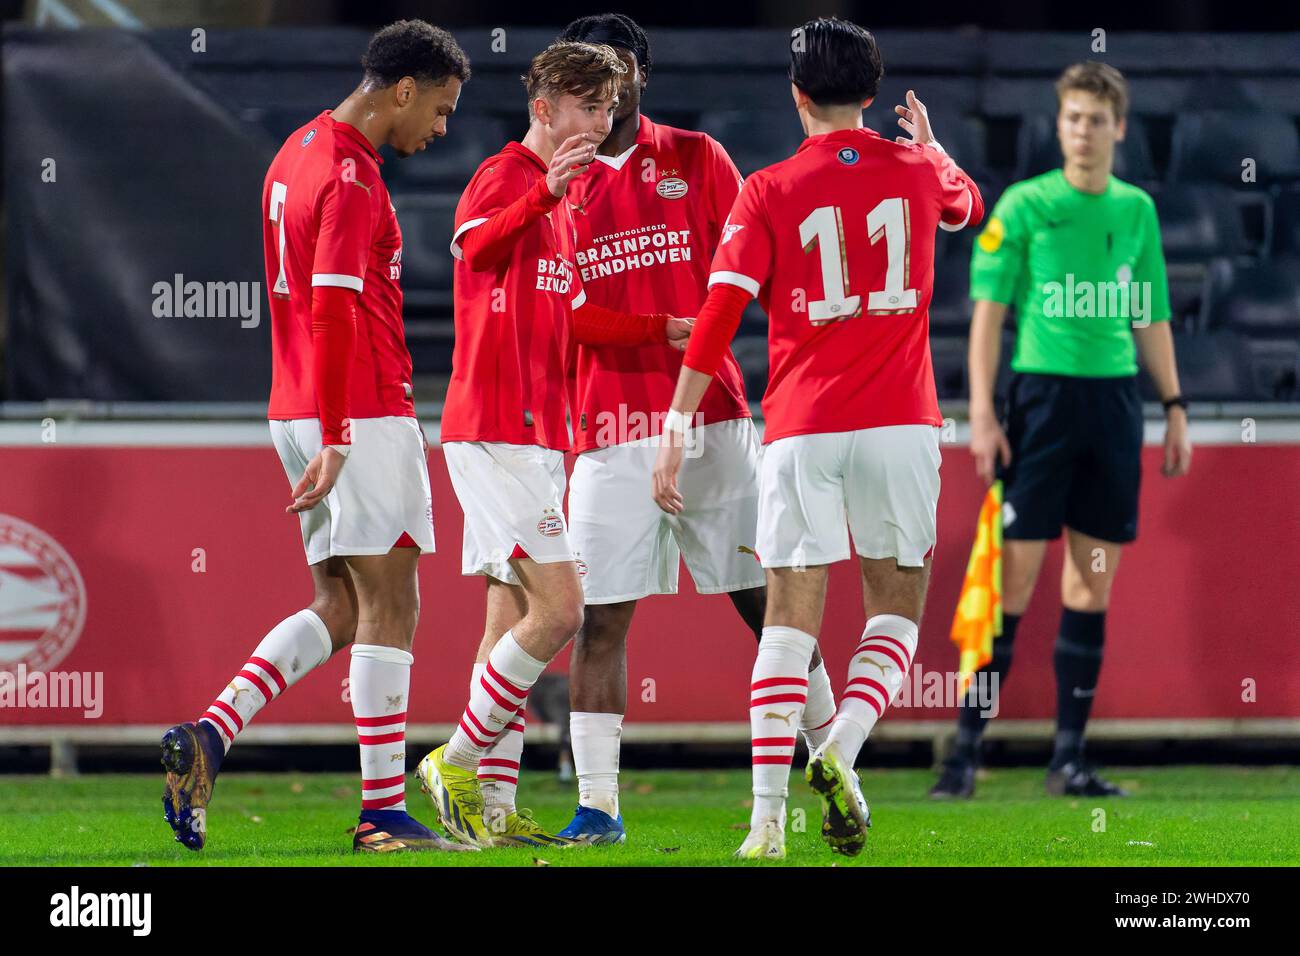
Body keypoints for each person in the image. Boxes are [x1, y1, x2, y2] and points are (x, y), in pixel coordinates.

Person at [652, 17, 984, 859]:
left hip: (803, 427)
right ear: (872, 94)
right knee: (897, 608)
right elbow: (967, 206)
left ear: (796, 94)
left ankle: (766, 825)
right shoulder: (915, 169)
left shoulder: (766, 188)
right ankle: (839, 748)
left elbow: (721, 310)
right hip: (903, 425)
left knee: (789, 625)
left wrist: (677, 420)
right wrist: (934, 148)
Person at [161, 20, 473, 854]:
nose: (439, 130)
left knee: (339, 604)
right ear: (401, 90)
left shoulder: (293, 150)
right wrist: (341, 434)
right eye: (439, 110)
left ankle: (210, 736)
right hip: (356, 412)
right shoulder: (353, 177)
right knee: (393, 604)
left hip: (293, 409)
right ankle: (381, 813)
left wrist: (318, 429)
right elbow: (334, 308)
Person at [547, 12, 837, 847]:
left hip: (712, 420)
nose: (613, 87)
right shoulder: (554, 182)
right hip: (607, 430)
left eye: (624, 67)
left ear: (643, 72)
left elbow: (747, 278)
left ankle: (835, 771)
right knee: (599, 619)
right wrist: (656, 328)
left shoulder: (698, 159)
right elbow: (564, 315)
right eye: (592, 76)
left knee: (770, 607)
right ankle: (598, 807)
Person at [416, 40, 692, 848]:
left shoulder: (564, 199)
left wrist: (656, 327)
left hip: (538, 439)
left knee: (508, 617)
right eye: (587, 106)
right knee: (565, 608)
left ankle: (487, 816)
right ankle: (455, 760)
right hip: (492, 428)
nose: (602, 122)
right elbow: (471, 247)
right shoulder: (509, 175)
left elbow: (570, 312)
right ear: (544, 109)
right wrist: (544, 194)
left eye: (609, 108)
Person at [930, 61, 1190, 800]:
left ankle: (1068, 760)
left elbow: (1151, 316)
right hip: (1039, 403)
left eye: (1096, 119)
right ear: (1059, 123)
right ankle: (964, 754)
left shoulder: (1135, 210)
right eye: (1072, 117)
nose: (1083, 131)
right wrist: (982, 410)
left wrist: (1173, 406)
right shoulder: (1022, 205)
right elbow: (987, 317)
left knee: (1090, 584)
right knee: (1009, 586)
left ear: (1119, 128)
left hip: (1113, 406)